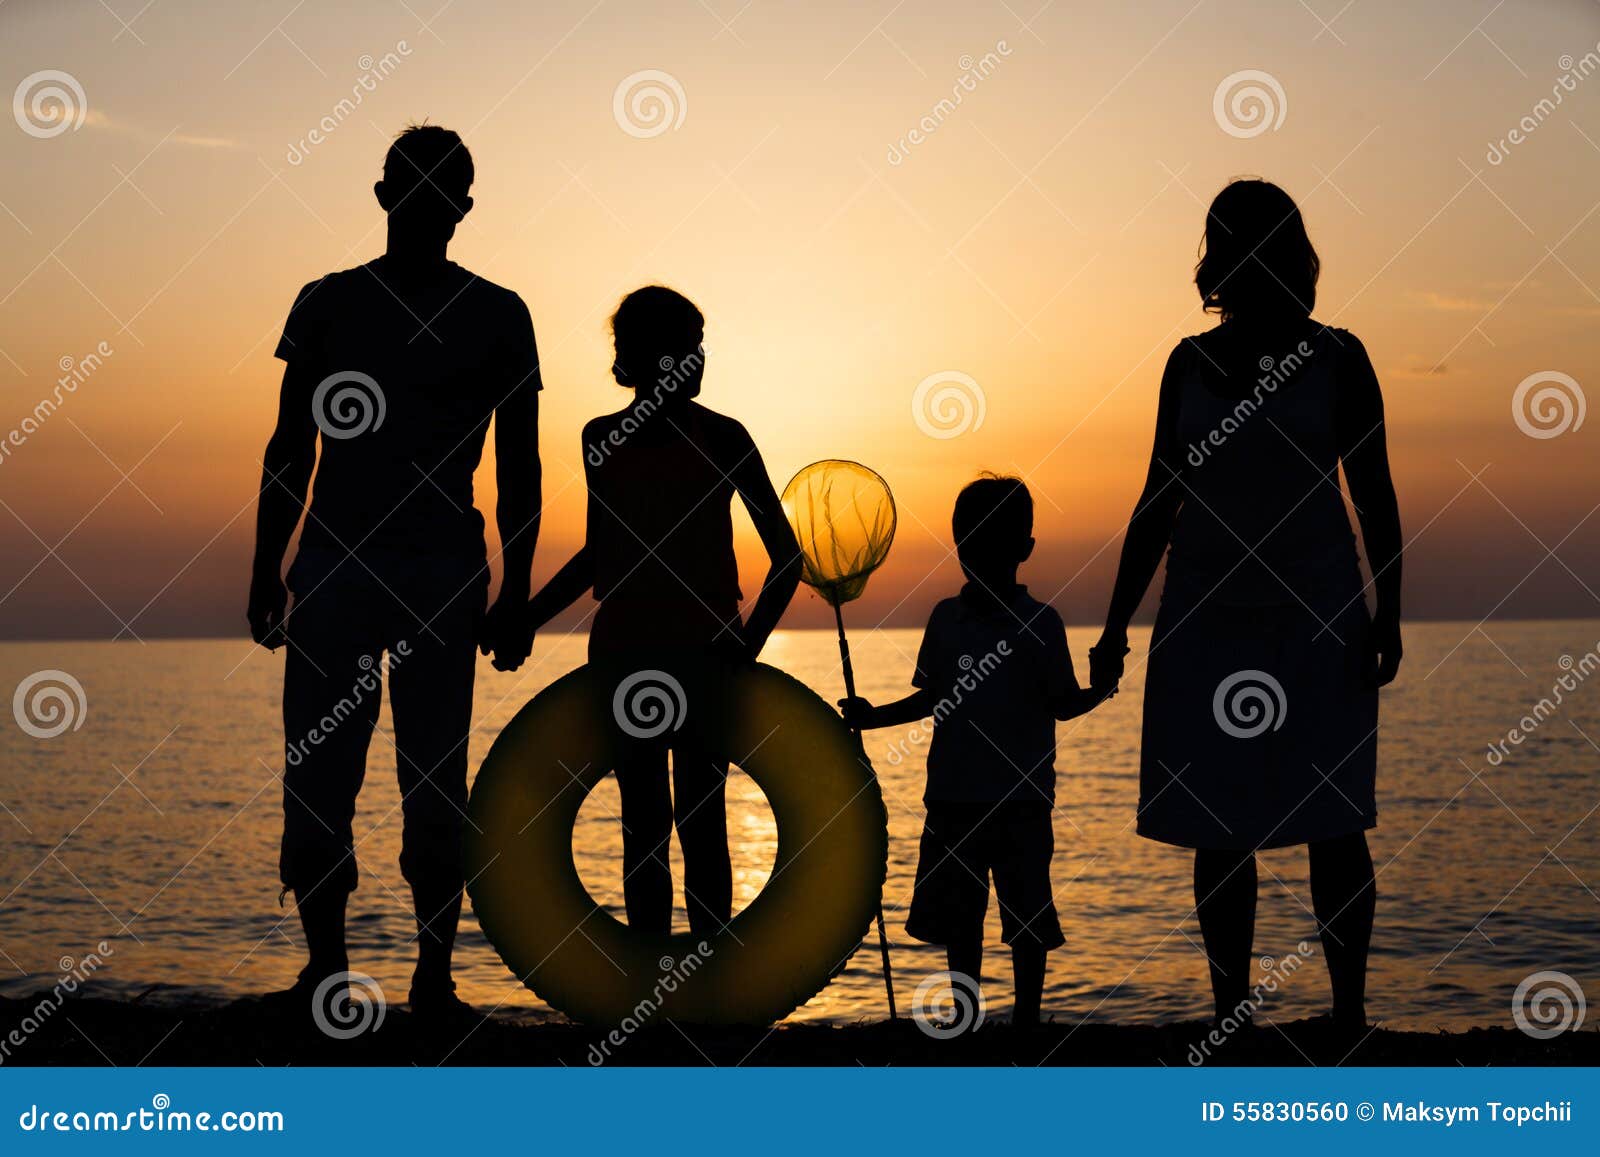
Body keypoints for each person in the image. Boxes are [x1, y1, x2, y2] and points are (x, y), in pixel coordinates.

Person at [1090, 178, 1403, 1036]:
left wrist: (1390, 611)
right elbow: (1159, 498)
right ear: (1223, 258)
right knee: (1218, 826)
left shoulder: (1342, 359)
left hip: (1320, 617)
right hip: (1205, 620)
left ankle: (1348, 1012)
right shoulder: (1188, 365)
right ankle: (1231, 1012)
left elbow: (1374, 496)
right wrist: (1116, 625)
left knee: (1335, 818)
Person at [247, 124, 542, 1019]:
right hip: (371, 565)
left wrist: (518, 587)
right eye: (419, 192)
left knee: (385, 773)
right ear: (393, 199)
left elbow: (523, 467)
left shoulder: (489, 313)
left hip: (412, 568)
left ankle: (397, 974)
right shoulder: (337, 304)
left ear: (454, 206)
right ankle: (377, 972)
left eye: (433, 193)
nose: (424, 208)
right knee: (381, 773)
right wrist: (269, 568)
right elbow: (291, 447)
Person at [524, 285, 801, 936]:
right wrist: (526, 617)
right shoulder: (601, 439)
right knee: (644, 822)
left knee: (698, 820)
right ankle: (651, 987)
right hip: (627, 647)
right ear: (649, 355)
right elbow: (599, 552)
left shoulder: (726, 438)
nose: (701, 358)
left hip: (705, 649)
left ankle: (706, 983)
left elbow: (787, 557)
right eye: (689, 346)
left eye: (701, 345)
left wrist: (748, 645)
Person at [840, 476, 1115, 1026]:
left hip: (1020, 800)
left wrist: (1097, 691)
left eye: (990, 541)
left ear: (1023, 550)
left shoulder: (1042, 623)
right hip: (954, 797)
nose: (977, 554)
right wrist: (873, 718)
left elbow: (1060, 704)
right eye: (968, 542)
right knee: (959, 919)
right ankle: (966, 1017)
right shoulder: (946, 619)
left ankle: (1027, 1020)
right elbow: (932, 698)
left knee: (1026, 916)